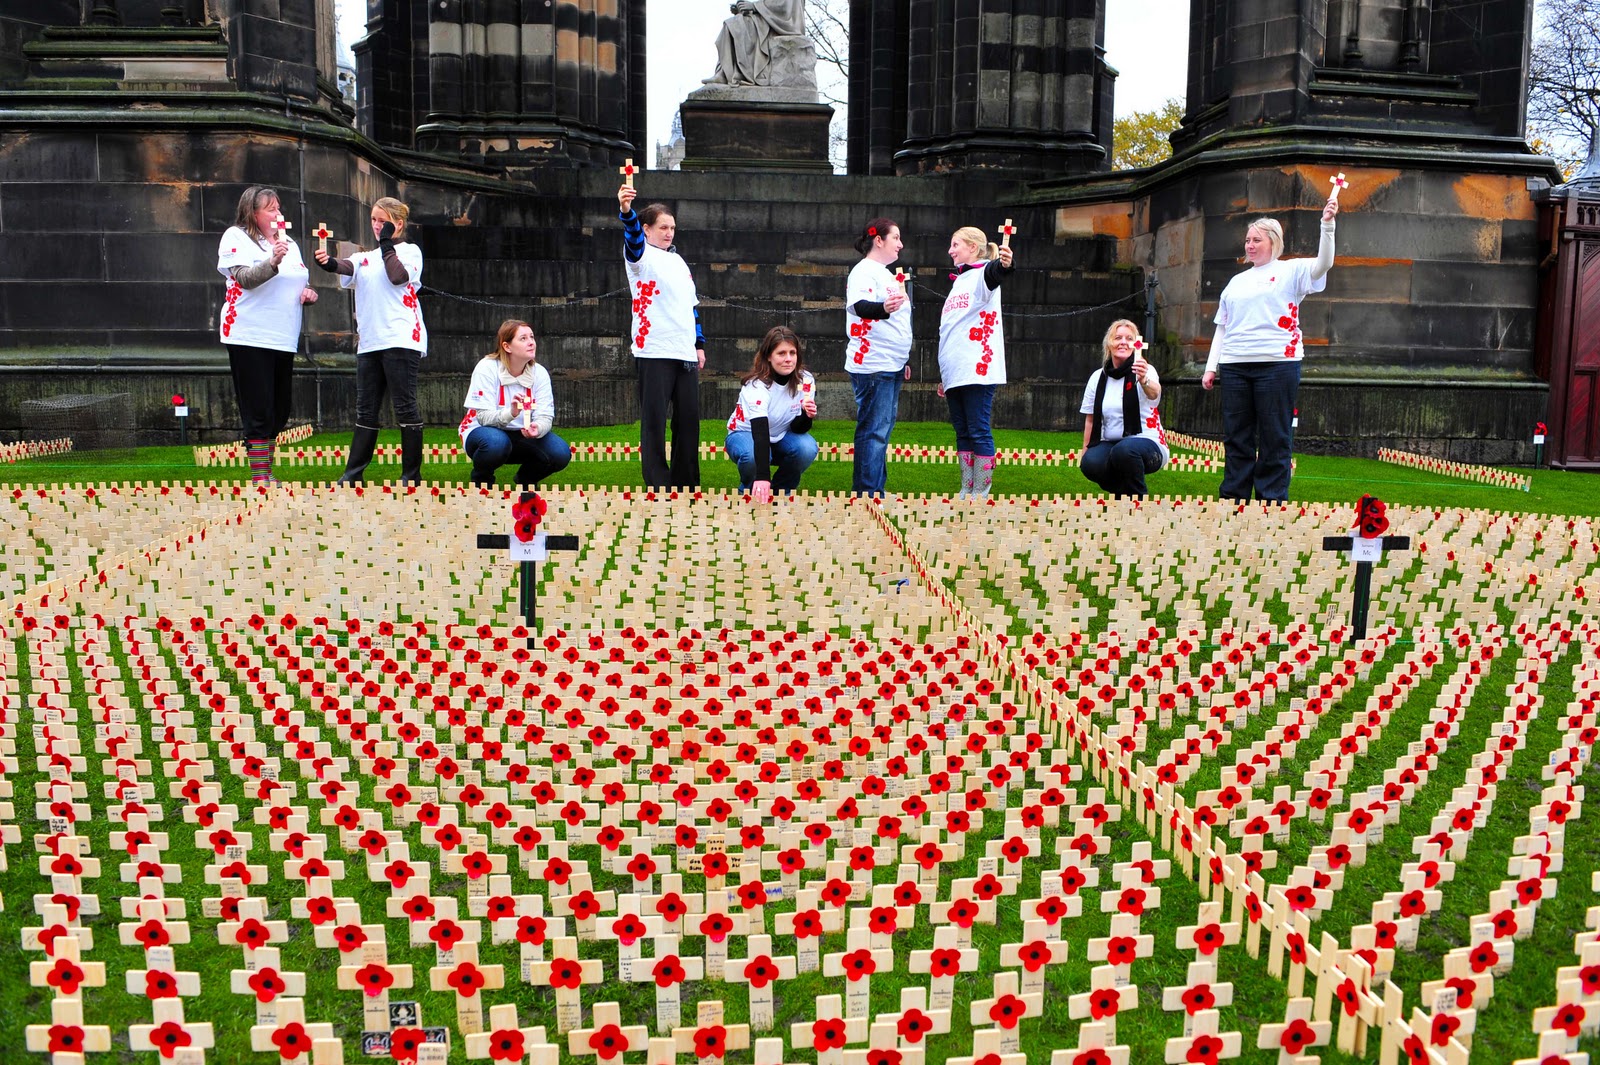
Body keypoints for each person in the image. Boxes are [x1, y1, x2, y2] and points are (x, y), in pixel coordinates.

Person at [1202, 198, 1339, 502]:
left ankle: (1271, 500)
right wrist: (1212, 367)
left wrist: (1327, 225)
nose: (1249, 245)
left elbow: (1324, 264)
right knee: (1237, 436)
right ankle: (1233, 498)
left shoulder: (1292, 271)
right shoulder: (1235, 282)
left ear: (1272, 242)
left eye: (1256, 240)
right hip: (1236, 365)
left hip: (1278, 364)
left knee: (1275, 435)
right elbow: (1222, 327)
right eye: (1248, 240)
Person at [315, 196, 427, 484]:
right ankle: (353, 474)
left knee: (405, 406)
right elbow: (347, 267)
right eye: (374, 220)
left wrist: (387, 244)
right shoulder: (365, 257)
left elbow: (398, 277)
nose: (377, 226)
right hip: (370, 343)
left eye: (383, 221)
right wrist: (329, 264)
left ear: (398, 224)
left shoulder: (410, 252)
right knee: (366, 408)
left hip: (401, 338)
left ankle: (410, 476)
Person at [217, 186, 317, 485]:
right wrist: (272, 261)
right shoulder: (236, 237)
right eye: (271, 208)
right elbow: (245, 279)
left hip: (283, 336)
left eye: (279, 207)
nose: (278, 213)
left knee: (279, 407)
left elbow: (299, 281)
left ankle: (266, 470)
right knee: (258, 406)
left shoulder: (291, 244)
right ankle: (262, 476)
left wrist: (308, 294)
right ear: (253, 213)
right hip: (249, 334)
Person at [618, 183, 705, 488]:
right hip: (653, 348)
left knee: (689, 421)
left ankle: (685, 481)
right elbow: (631, 237)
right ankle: (658, 481)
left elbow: (690, 306)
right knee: (654, 421)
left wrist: (699, 344)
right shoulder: (640, 257)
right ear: (648, 229)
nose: (669, 233)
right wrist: (626, 211)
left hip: (684, 351)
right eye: (663, 227)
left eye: (673, 228)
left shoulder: (678, 261)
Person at [938, 226, 1014, 499]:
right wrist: (945, 375)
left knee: (978, 429)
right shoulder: (960, 281)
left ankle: (981, 491)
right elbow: (953, 329)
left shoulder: (983, 273)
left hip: (977, 369)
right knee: (962, 431)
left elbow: (997, 273)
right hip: (956, 371)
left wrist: (1005, 264)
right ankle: (966, 488)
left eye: (955, 244)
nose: (950, 250)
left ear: (973, 247)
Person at [460, 320, 572, 487]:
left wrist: (538, 428)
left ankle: (526, 480)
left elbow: (545, 416)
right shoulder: (486, 368)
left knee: (560, 453)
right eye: (523, 338)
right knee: (496, 442)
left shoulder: (539, 372)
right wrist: (510, 413)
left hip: (521, 435)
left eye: (532, 337)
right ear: (507, 346)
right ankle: (482, 480)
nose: (531, 342)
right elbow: (482, 417)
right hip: (484, 433)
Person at [845, 217, 912, 497]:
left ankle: (875, 490)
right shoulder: (864, 272)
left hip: (891, 363)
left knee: (881, 430)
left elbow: (899, 319)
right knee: (874, 430)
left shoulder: (885, 273)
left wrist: (903, 358)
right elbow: (859, 306)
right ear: (879, 240)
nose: (901, 244)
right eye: (895, 237)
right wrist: (884, 307)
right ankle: (867, 493)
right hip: (874, 364)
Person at [725, 326, 818, 502]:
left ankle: (781, 491)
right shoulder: (756, 386)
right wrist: (763, 477)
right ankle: (749, 489)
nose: (788, 359)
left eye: (793, 353)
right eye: (781, 353)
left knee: (807, 448)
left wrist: (806, 415)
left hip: (781, 435)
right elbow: (759, 432)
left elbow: (799, 429)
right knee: (754, 455)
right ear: (769, 356)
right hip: (745, 433)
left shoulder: (806, 380)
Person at [1080, 320, 1169, 497]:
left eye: (1129, 338)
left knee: (1125, 450)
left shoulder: (1145, 370)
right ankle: (1122, 495)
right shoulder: (1097, 377)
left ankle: (1137, 499)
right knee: (1091, 462)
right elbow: (1090, 418)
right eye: (1118, 337)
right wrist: (1085, 451)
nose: (1123, 342)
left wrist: (1143, 380)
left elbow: (1154, 394)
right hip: (1111, 442)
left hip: (1147, 442)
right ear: (1109, 344)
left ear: (1136, 345)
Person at [707, 0, 804, 86]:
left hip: (782, 25)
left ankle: (732, 73)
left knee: (734, 24)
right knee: (734, 24)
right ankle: (724, 72)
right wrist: (745, 9)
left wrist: (754, 6)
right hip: (771, 20)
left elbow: (783, 7)